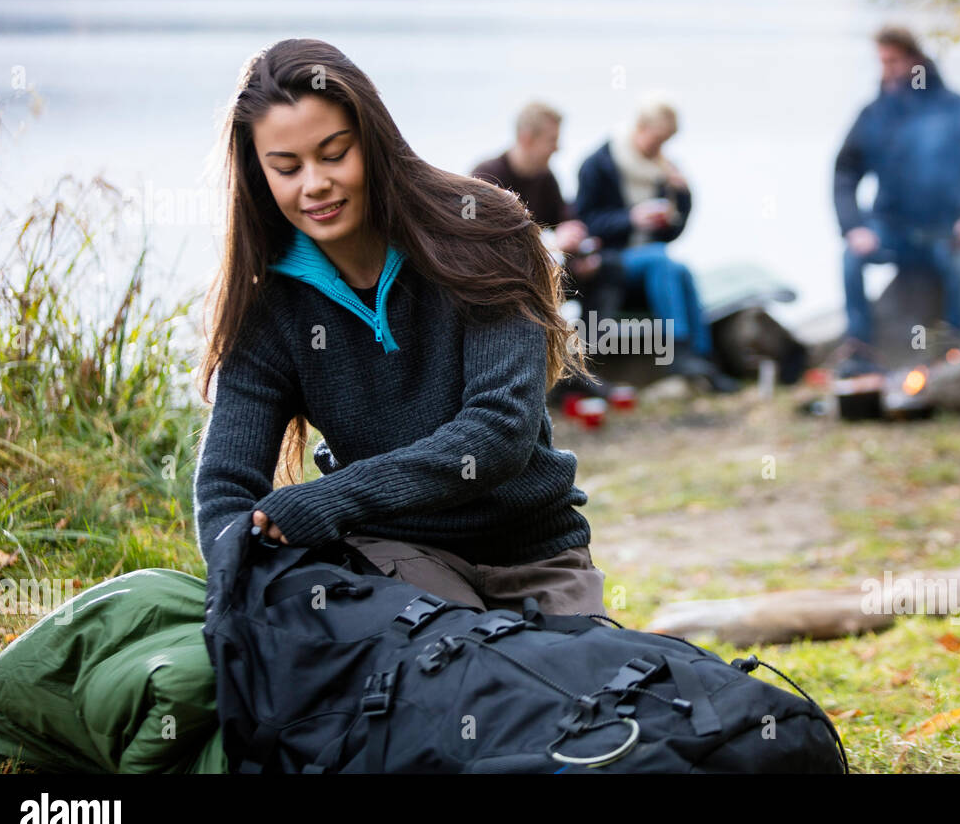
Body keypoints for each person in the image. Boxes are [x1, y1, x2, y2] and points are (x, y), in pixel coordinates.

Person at [192, 38, 606, 616]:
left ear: (374, 138)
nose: (313, 184)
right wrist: (241, 581)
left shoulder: (483, 233)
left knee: (581, 692)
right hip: (393, 552)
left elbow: (499, 433)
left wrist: (329, 500)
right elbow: (226, 488)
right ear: (259, 175)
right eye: (286, 167)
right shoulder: (267, 304)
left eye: (334, 154)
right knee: (454, 670)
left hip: (536, 551)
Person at [834, 26, 960, 372]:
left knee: (959, 266)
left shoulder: (952, 109)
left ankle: (958, 350)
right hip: (891, 230)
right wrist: (853, 226)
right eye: (881, 62)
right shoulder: (876, 114)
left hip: (941, 229)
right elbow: (845, 172)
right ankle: (860, 349)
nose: (886, 70)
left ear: (916, 61)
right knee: (851, 259)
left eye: (893, 61)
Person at [574, 98, 740, 393]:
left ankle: (701, 357)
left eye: (666, 142)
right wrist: (630, 219)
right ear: (641, 128)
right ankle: (681, 350)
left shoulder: (662, 169)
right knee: (662, 261)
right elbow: (585, 222)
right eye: (658, 140)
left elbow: (671, 233)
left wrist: (683, 199)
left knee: (681, 269)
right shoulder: (599, 163)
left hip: (651, 265)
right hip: (610, 263)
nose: (660, 148)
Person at [470, 102, 624, 400]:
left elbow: (566, 221)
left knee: (609, 269)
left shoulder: (546, 177)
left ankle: (578, 368)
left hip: (544, 271)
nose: (558, 148)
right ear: (528, 138)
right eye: (552, 140)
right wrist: (553, 244)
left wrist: (582, 250)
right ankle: (536, 378)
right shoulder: (487, 175)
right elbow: (485, 245)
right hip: (505, 281)